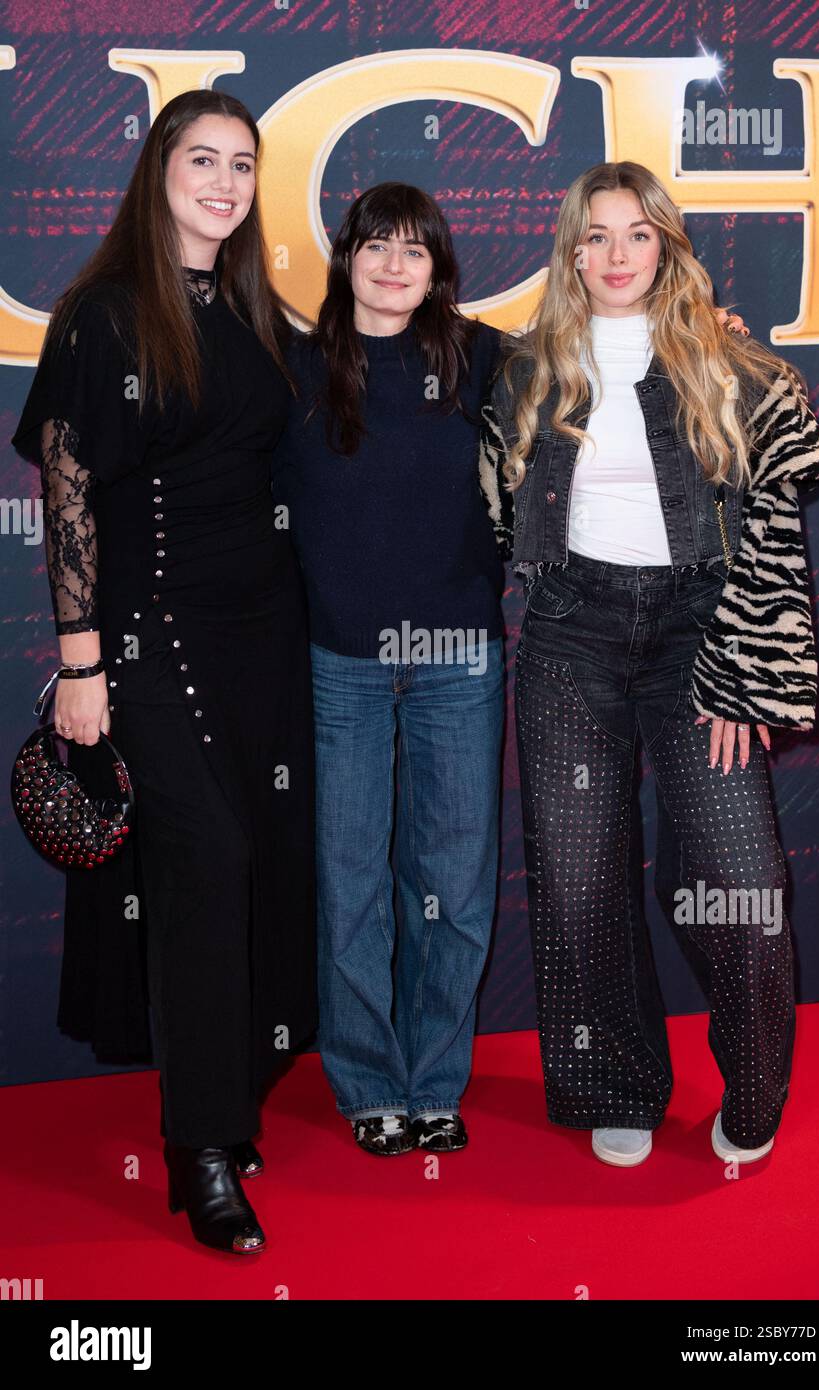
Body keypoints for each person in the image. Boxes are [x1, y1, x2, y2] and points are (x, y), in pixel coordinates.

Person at [480, 160, 819, 1168]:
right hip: (566, 639)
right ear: (569, 251)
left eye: (634, 234)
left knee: (738, 880)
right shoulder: (523, 368)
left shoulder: (731, 365)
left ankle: (755, 1082)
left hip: (699, 633)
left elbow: (772, 518)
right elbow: (484, 500)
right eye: (592, 236)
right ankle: (617, 1082)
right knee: (578, 883)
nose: (613, 255)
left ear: (664, 247)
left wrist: (748, 665)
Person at [12, 90, 317, 1252]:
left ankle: (226, 1099)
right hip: (149, 640)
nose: (225, 182)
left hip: (258, 639)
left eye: (242, 164)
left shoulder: (245, 308)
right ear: (158, 170)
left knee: (254, 870)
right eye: (203, 159)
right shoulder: (105, 315)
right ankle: (198, 1153)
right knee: (210, 864)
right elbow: (70, 486)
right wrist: (80, 662)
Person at [272, 184, 506, 1156]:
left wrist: (702, 324)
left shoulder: (481, 356)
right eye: (376, 245)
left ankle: (434, 1080)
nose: (394, 264)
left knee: (452, 879)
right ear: (346, 256)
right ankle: (369, 1080)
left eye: (415, 248)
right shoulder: (292, 367)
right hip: (338, 665)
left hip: (459, 657)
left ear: (437, 265)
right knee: (350, 880)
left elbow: (597, 374)